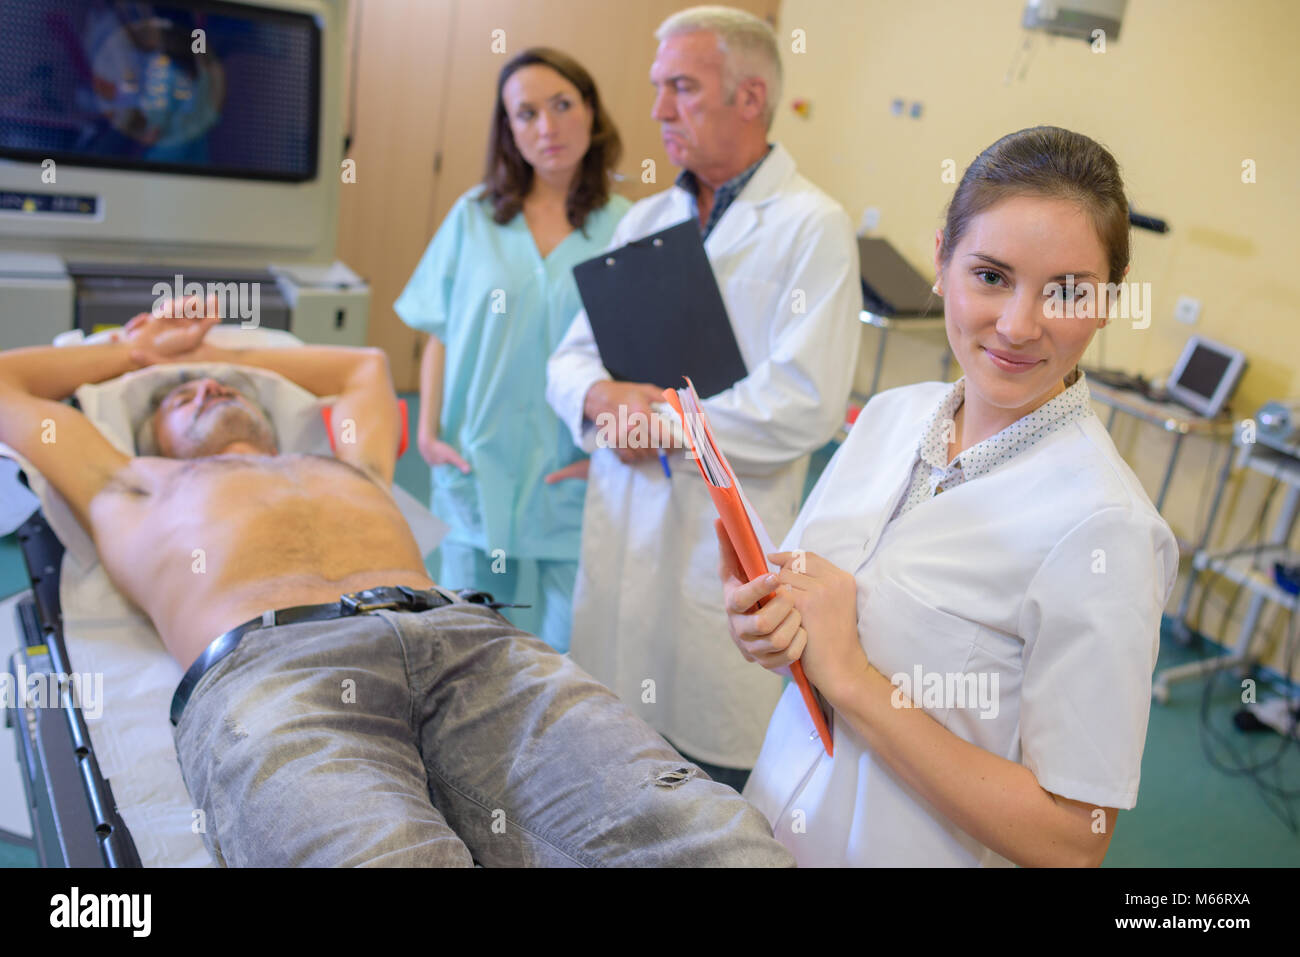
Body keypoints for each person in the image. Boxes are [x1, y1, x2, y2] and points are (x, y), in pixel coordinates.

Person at [0, 305, 794, 867]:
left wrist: (224, 350)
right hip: (276, 672)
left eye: (226, 385)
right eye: (181, 397)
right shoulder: (129, 484)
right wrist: (145, 355)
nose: (208, 388)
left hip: (469, 643)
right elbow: (10, 381)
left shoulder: (346, 460)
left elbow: (362, 366)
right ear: (147, 434)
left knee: (717, 844)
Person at [720, 126, 1179, 867]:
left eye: (1066, 291)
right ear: (941, 262)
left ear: (1107, 304)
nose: (1019, 325)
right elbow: (813, 615)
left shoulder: (1107, 531)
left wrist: (855, 682)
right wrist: (769, 628)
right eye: (991, 276)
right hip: (772, 826)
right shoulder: (891, 416)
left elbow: (1072, 839)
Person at [545, 6, 862, 791]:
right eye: (658, 88)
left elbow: (803, 402)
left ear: (751, 97)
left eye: (681, 88)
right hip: (625, 522)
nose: (656, 110)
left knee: (706, 780)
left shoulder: (812, 226)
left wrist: (649, 425)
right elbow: (570, 357)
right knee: (603, 744)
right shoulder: (649, 217)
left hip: (719, 545)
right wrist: (596, 398)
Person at [395, 48, 631, 653]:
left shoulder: (628, 226)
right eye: (525, 114)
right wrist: (427, 434)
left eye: (561, 106)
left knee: (566, 654)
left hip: (572, 465)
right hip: (475, 457)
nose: (546, 128)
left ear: (591, 112)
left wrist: (606, 453)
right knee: (466, 642)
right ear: (509, 130)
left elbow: (643, 361)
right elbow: (439, 330)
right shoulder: (474, 217)